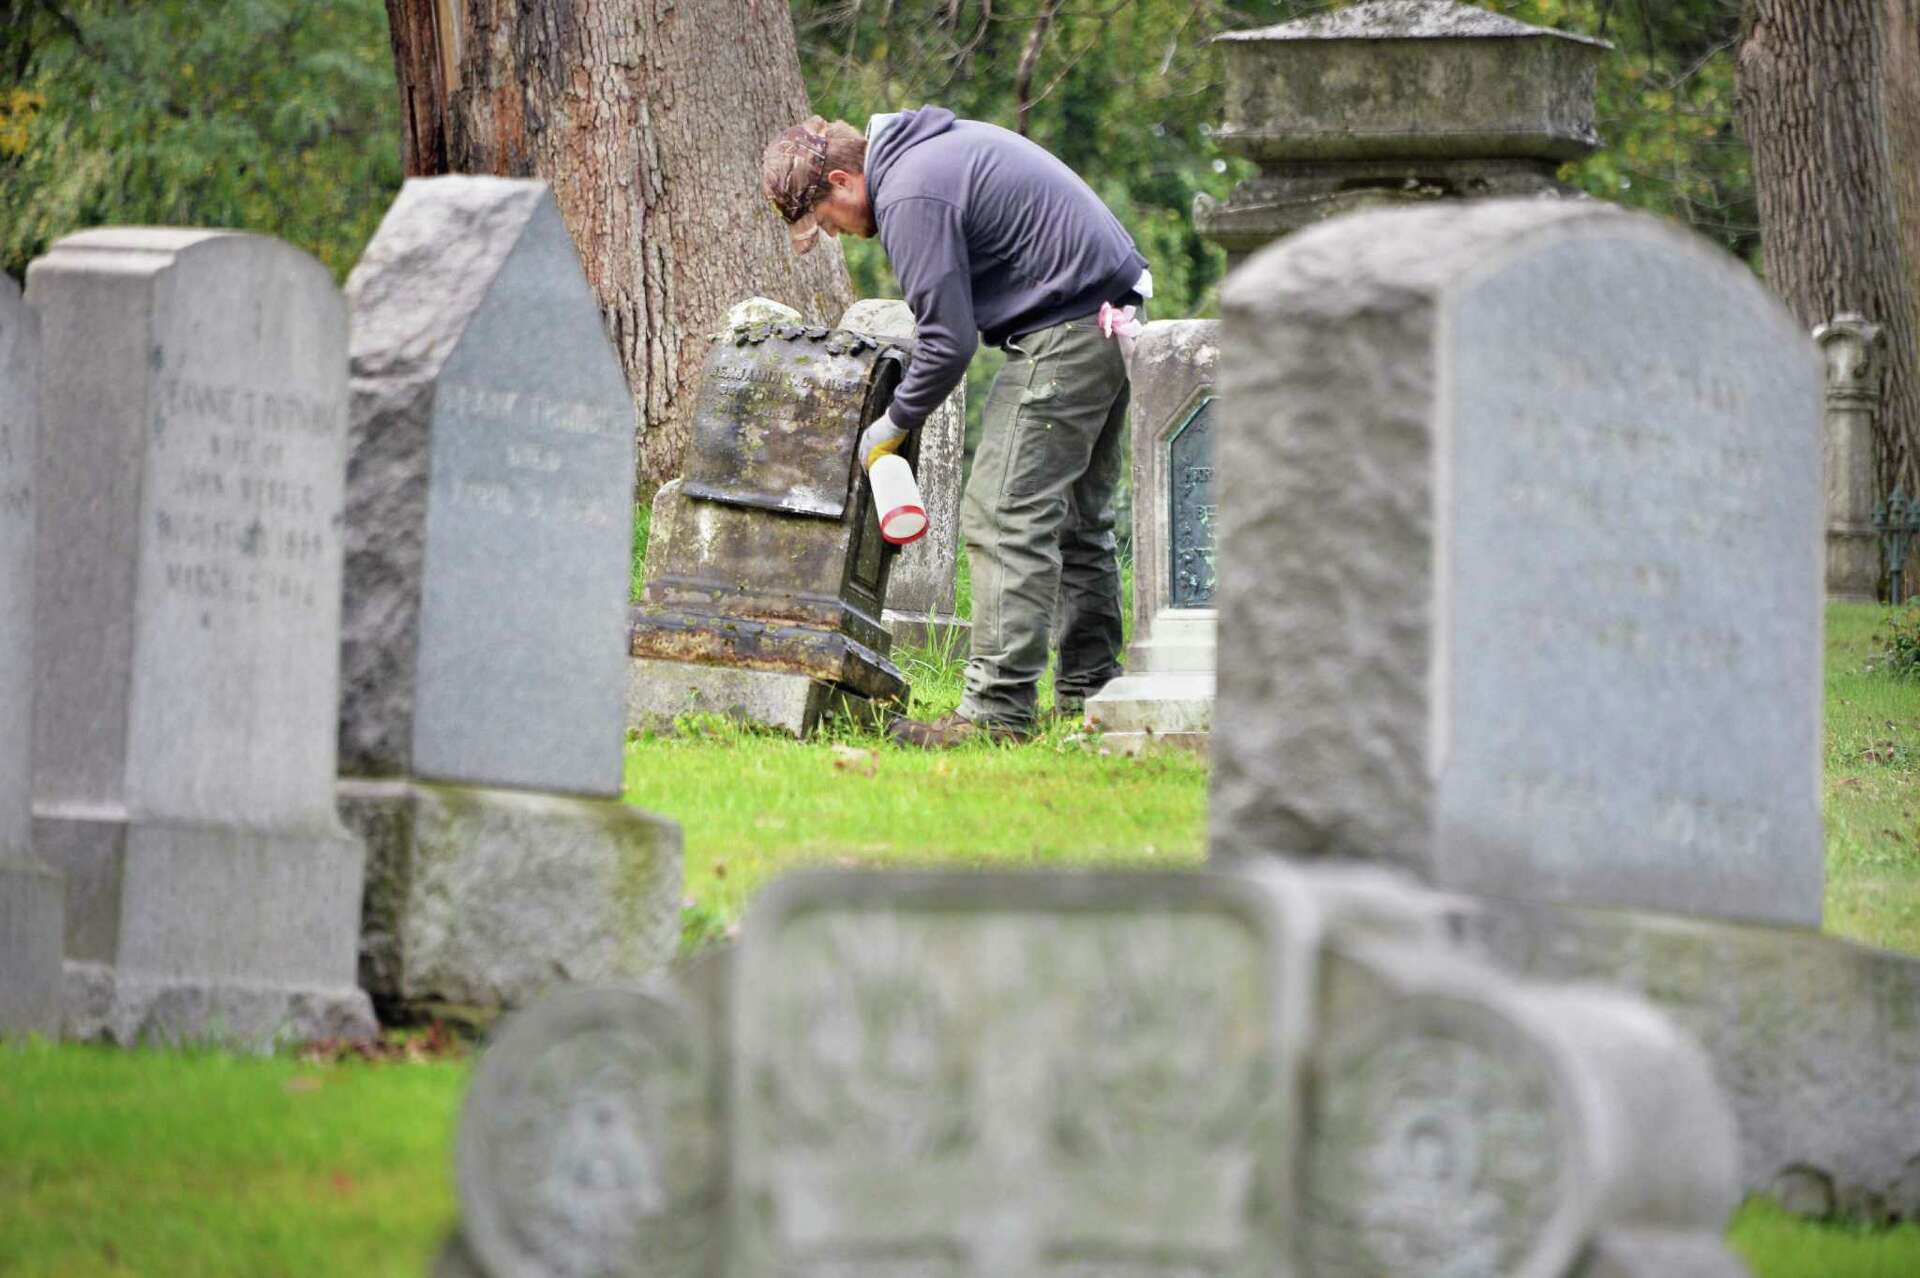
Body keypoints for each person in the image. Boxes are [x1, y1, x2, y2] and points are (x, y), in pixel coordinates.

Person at [761, 107, 1150, 747]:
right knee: (1078, 518)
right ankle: (1091, 697)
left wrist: (890, 425)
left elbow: (946, 341)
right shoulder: (924, 158)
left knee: (1002, 511)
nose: (832, 233)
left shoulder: (910, 190)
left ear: (841, 180)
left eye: (823, 220)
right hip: (1109, 311)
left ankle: (996, 713)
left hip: (1072, 327)